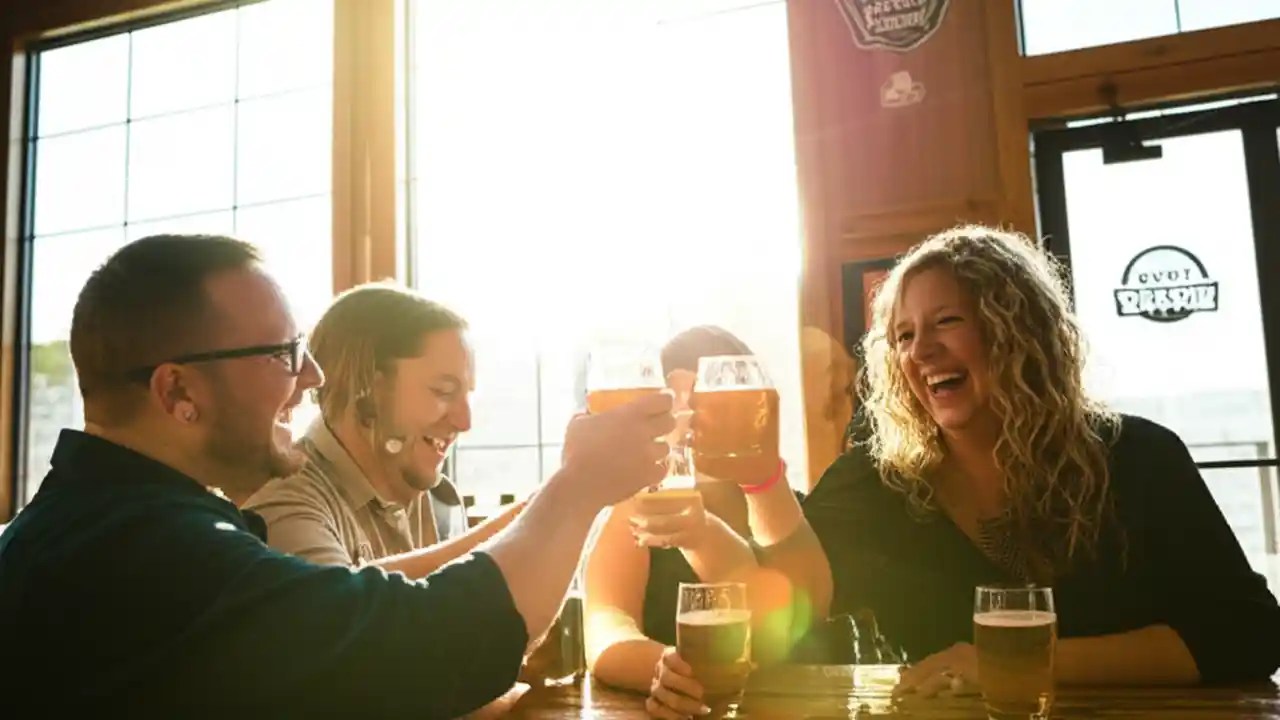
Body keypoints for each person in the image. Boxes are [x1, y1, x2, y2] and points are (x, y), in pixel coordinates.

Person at [0, 234, 674, 716]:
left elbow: (340, 599)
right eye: (282, 355)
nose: (314, 379)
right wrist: (578, 488)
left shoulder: (89, 525)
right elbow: (425, 647)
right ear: (179, 391)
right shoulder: (155, 554)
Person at [780, 225, 1280, 693]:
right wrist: (753, 480)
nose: (921, 351)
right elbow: (779, 601)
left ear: (1017, 331)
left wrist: (1017, 665)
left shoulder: (1138, 458)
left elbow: (1248, 633)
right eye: (903, 336)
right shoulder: (874, 482)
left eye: (947, 321)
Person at [584, 326, 811, 719]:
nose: (690, 418)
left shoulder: (783, 509)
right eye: (676, 403)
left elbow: (791, 626)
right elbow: (606, 622)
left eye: (708, 403)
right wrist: (661, 667)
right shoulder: (639, 505)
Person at [243, 283, 525, 577]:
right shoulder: (282, 505)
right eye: (443, 391)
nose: (464, 422)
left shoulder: (438, 502)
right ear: (367, 389)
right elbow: (339, 609)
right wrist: (517, 528)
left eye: (468, 394)